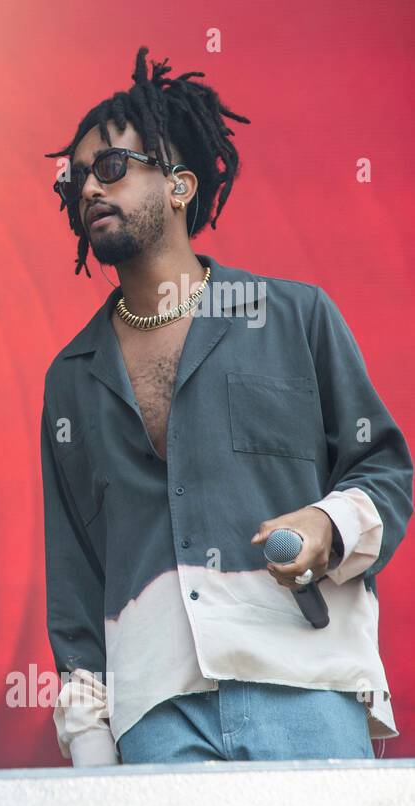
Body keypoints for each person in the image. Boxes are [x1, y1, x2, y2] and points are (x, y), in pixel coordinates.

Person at [40, 48, 413, 765]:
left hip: (303, 681)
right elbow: (75, 584)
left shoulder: (293, 316)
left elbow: (385, 474)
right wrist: (90, 745)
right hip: (153, 712)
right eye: (76, 177)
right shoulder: (72, 377)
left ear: (178, 185)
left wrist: (323, 525)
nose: (89, 186)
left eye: (112, 166)